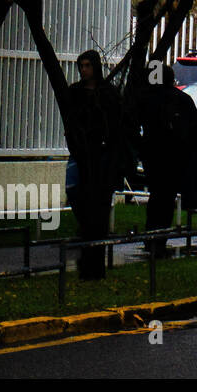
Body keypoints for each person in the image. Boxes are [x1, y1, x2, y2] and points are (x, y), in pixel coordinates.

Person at [63, 50, 137, 280]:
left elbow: (116, 124)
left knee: (100, 198)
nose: (84, 70)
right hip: (80, 151)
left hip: (102, 153)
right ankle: (85, 224)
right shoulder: (74, 92)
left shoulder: (108, 93)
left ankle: (94, 246)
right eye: (81, 65)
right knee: (73, 187)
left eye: (88, 65)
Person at [134, 65, 197, 257]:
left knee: (157, 196)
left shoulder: (146, 99)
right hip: (174, 157)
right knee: (165, 198)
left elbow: (136, 126)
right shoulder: (181, 99)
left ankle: (152, 236)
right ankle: (159, 238)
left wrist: (143, 147)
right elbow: (195, 126)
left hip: (154, 157)